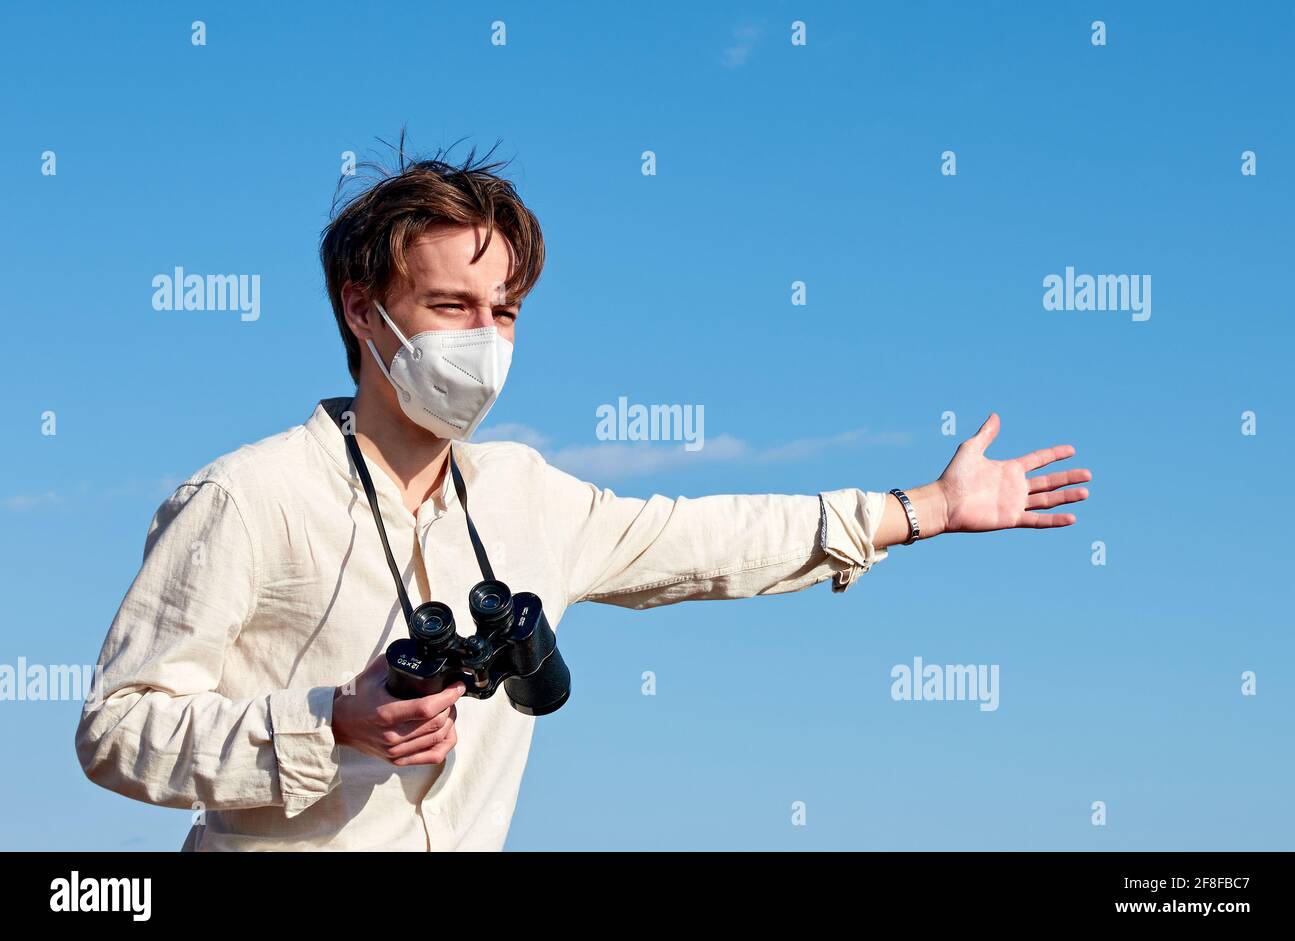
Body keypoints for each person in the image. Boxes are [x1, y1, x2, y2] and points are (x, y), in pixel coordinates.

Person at [75, 142, 1091, 851]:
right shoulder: (246, 497)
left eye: (503, 310)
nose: (483, 338)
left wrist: (924, 507)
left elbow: (712, 538)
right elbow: (116, 729)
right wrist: (330, 721)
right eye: (450, 305)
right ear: (361, 306)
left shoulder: (524, 493)